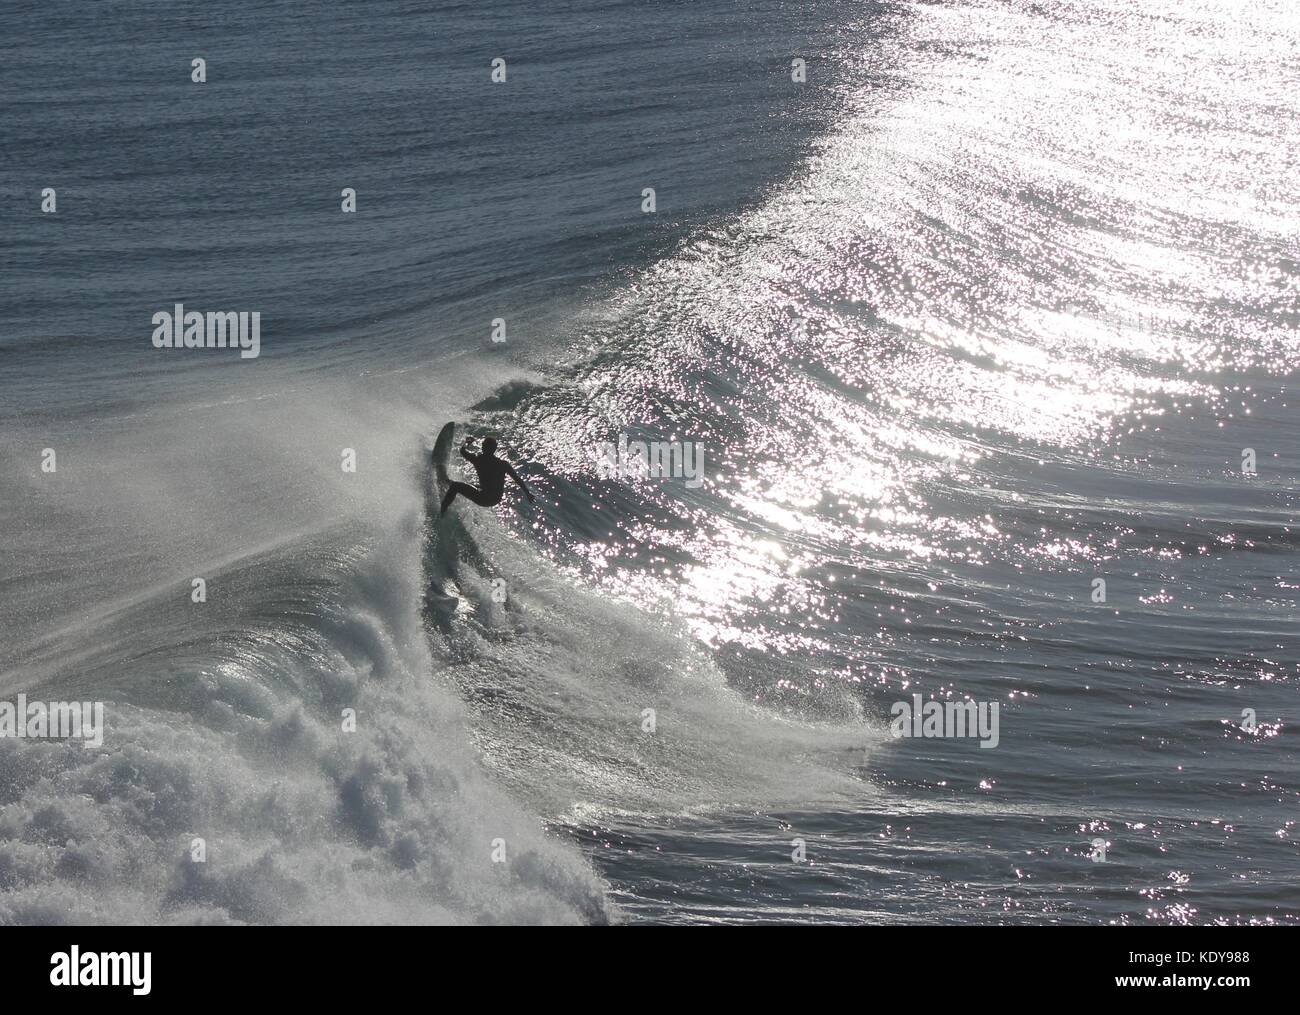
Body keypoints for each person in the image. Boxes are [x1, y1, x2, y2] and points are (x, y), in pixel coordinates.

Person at [440, 436, 534, 515]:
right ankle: (448, 483)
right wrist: (528, 493)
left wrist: (467, 442)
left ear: (483, 447)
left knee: (456, 486)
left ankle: (442, 510)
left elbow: (462, 451)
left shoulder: (478, 460)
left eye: (483, 444)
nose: (482, 446)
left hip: (483, 498)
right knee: (470, 485)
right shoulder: (503, 464)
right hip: (495, 499)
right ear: (495, 448)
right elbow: (517, 479)